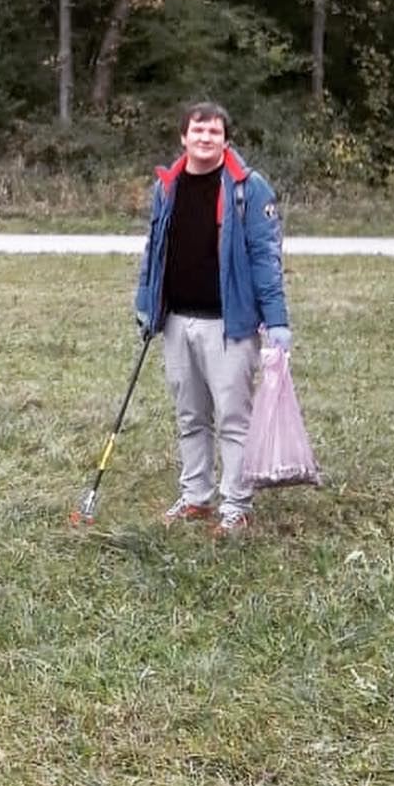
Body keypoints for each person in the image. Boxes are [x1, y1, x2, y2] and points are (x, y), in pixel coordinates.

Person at [134, 101, 291, 539]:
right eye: (198, 131)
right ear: (183, 137)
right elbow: (154, 248)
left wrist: (276, 320)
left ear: (225, 140)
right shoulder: (168, 186)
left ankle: (236, 506)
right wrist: (146, 301)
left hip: (231, 326)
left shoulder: (248, 188)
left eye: (214, 132)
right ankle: (196, 497)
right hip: (177, 322)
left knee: (233, 418)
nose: (205, 138)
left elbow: (266, 257)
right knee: (190, 416)